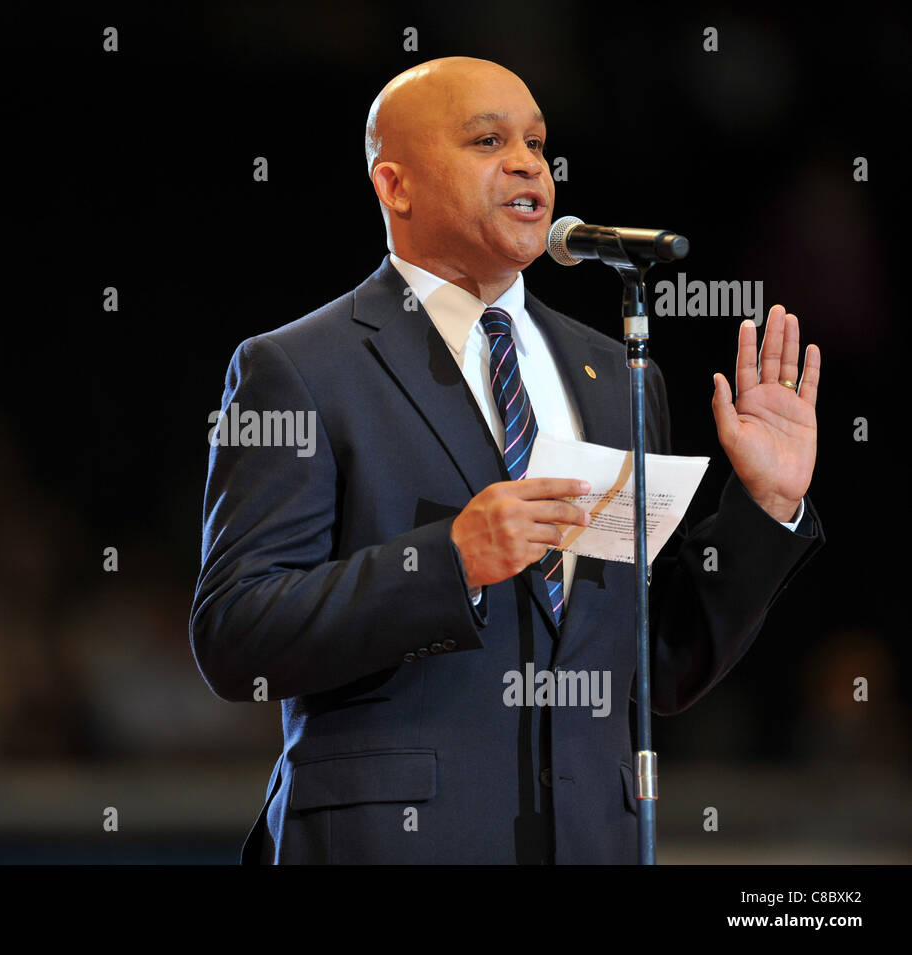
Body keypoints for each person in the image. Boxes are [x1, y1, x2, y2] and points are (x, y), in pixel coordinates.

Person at [190, 57, 825, 864]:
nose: (530, 163)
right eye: (488, 140)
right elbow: (235, 633)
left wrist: (764, 506)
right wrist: (447, 562)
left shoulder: (617, 375)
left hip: (592, 841)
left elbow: (658, 665)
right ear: (397, 185)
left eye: (537, 141)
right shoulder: (301, 369)